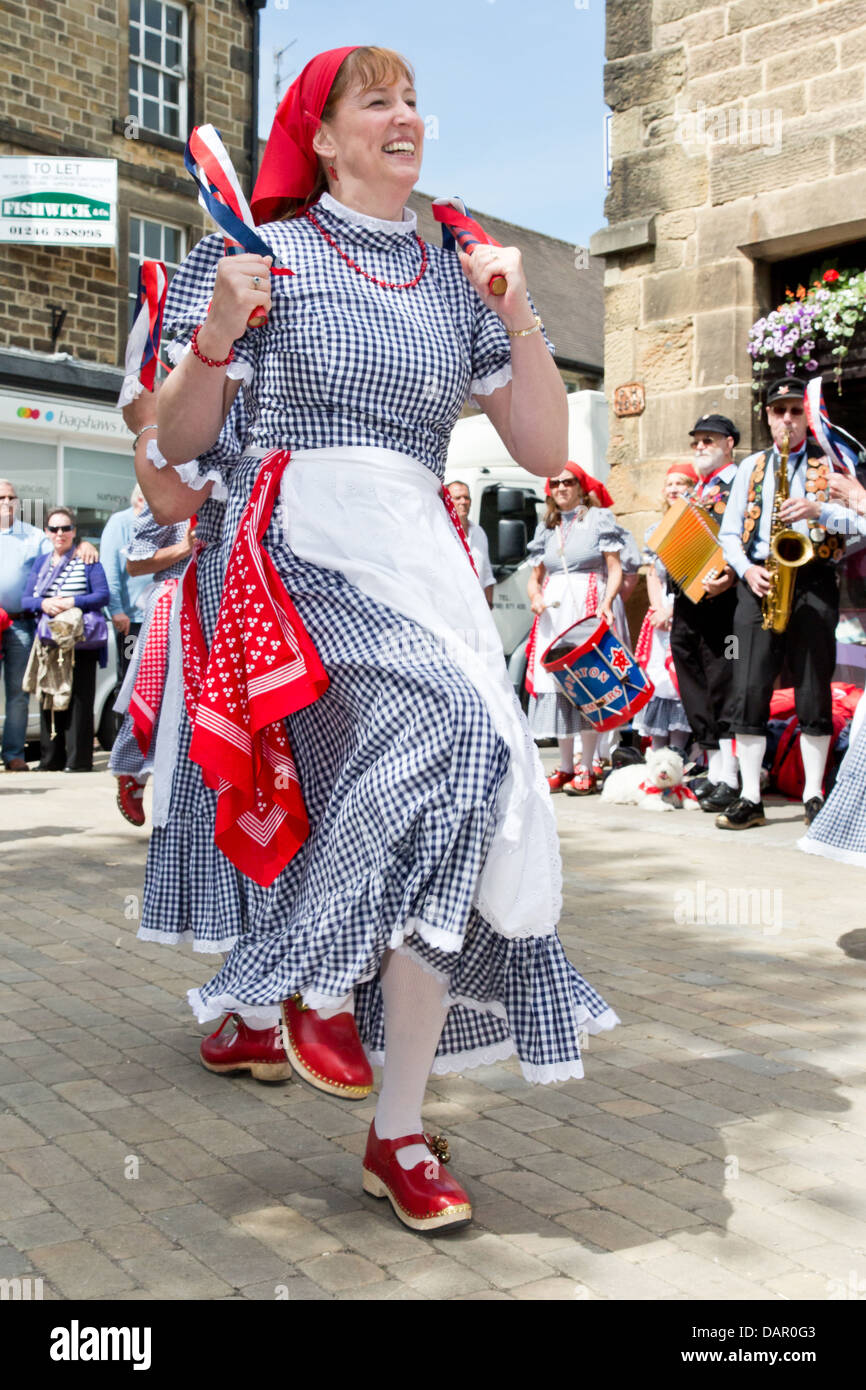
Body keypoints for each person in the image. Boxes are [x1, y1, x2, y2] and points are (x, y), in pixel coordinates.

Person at [145, 45, 617, 1232]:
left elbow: (548, 450)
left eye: (413, 99)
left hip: (411, 549)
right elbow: (167, 471)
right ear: (323, 136)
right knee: (446, 723)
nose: (407, 117)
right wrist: (214, 335)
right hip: (286, 541)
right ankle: (308, 978)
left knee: (466, 789)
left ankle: (396, 1128)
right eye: (378, 101)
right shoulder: (257, 252)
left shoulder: (462, 277)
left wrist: (516, 313)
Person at [718, 378, 848, 830]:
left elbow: (859, 520)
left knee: (814, 687)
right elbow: (729, 532)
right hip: (759, 582)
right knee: (748, 687)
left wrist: (819, 511)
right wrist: (746, 569)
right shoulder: (750, 467)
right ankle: (751, 796)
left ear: (805, 418)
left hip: (812, 581)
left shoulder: (830, 466)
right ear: (768, 417)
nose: (788, 420)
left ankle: (814, 794)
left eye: (796, 411)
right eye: (780, 412)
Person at [526, 462, 624, 795]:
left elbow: (615, 568)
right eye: (555, 484)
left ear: (581, 487)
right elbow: (535, 576)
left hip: (586, 604)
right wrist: (536, 596)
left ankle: (588, 766)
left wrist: (607, 603)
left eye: (568, 482)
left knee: (587, 684)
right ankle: (566, 767)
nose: (562, 488)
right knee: (558, 685)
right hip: (554, 612)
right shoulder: (547, 527)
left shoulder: (599, 519)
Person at [668, 415, 740, 812]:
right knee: (693, 682)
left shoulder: (740, 484)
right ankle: (713, 772)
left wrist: (729, 575)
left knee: (724, 681)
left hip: (724, 604)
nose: (700, 446)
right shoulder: (696, 491)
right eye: (696, 441)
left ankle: (729, 776)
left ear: (729, 443)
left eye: (708, 439)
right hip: (687, 602)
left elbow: (744, 537)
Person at [1, 481, 96, 770]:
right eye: (0, 497)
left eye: (11, 497)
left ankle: (14, 754)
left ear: (18, 502)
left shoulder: (32, 536)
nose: (6, 501)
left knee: (19, 693)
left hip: (20, 625)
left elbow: (61, 549)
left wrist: (84, 544)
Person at [109, 502, 193, 825]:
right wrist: (184, 547)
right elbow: (134, 564)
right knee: (154, 694)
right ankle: (132, 771)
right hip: (172, 604)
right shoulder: (168, 498)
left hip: (213, 600)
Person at [21, 507, 109, 772]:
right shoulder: (41, 562)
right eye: (55, 529)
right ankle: (50, 759)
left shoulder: (87, 558)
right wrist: (44, 603)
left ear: (74, 531)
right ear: (47, 532)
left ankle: (78, 760)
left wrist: (73, 601)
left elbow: (102, 595)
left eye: (66, 528)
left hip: (80, 640)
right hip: (50, 641)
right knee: (49, 696)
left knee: (80, 698)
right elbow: (27, 600)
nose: (61, 534)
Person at [634, 464, 694, 753]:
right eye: (669, 484)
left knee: (680, 678)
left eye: (680, 483)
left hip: (686, 608)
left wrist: (672, 611)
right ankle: (657, 753)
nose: (673, 489)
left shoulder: (697, 526)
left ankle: (679, 751)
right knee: (658, 679)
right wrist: (658, 608)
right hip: (662, 611)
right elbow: (652, 573)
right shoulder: (654, 530)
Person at [99, 486, 150, 685]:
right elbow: (109, 570)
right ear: (140, 500)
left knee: (151, 681)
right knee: (130, 679)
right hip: (132, 622)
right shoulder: (120, 522)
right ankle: (126, 718)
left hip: (156, 618)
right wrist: (116, 610)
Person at [446, 480, 495, 605]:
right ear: (447, 501)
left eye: (466, 497)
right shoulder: (442, 530)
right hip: (451, 605)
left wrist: (488, 604)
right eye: (457, 498)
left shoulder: (479, 532)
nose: (463, 502)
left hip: (477, 607)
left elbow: (487, 573)